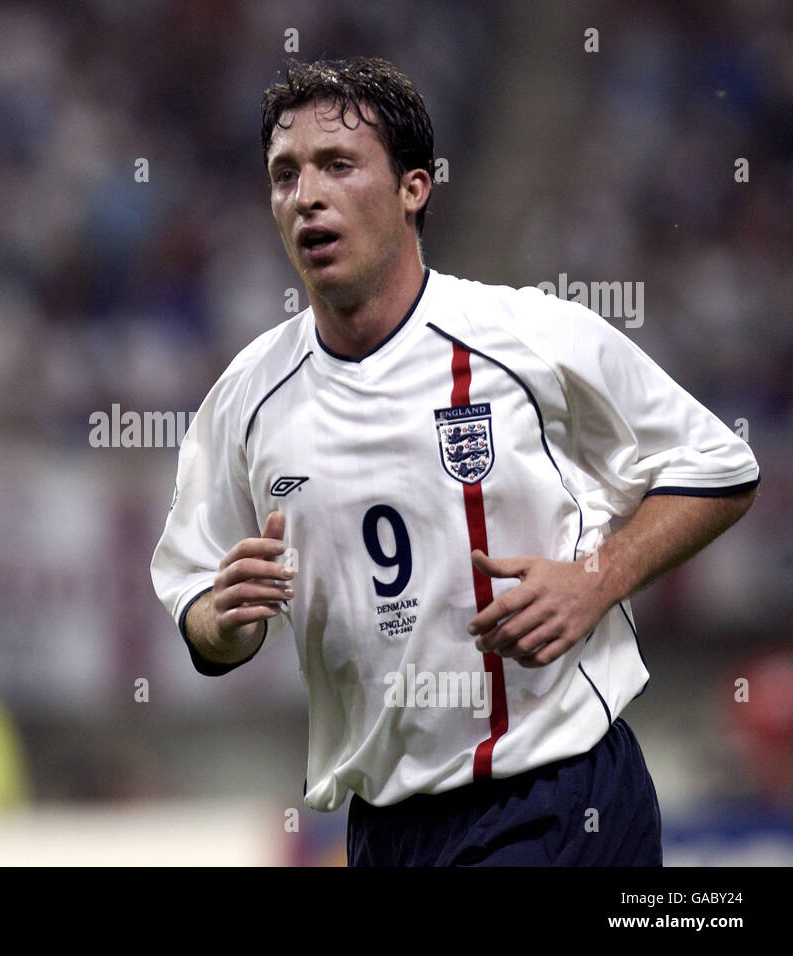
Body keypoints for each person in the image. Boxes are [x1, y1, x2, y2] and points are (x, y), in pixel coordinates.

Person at [150, 56, 759, 866]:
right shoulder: (248, 398)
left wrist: (596, 580)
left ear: (413, 188)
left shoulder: (529, 338)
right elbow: (195, 589)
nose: (306, 196)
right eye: (284, 175)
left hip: (552, 793)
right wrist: (222, 624)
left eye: (337, 166)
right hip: (384, 828)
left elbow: (719, 466)